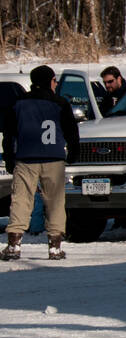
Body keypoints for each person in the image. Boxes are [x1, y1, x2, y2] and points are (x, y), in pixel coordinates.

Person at [2, 66, 80, 260]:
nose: (56, 84)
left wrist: (10, 158)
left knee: (21, 200)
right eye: (55, 81)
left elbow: (9, 133)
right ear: (50, 81)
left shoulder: (18, 103)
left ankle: (14, 244)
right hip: (54, 158)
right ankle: (55, 245)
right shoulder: (60, 103)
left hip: (26, 159)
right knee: (55, 202)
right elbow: (72, 131)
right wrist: (73, 152)